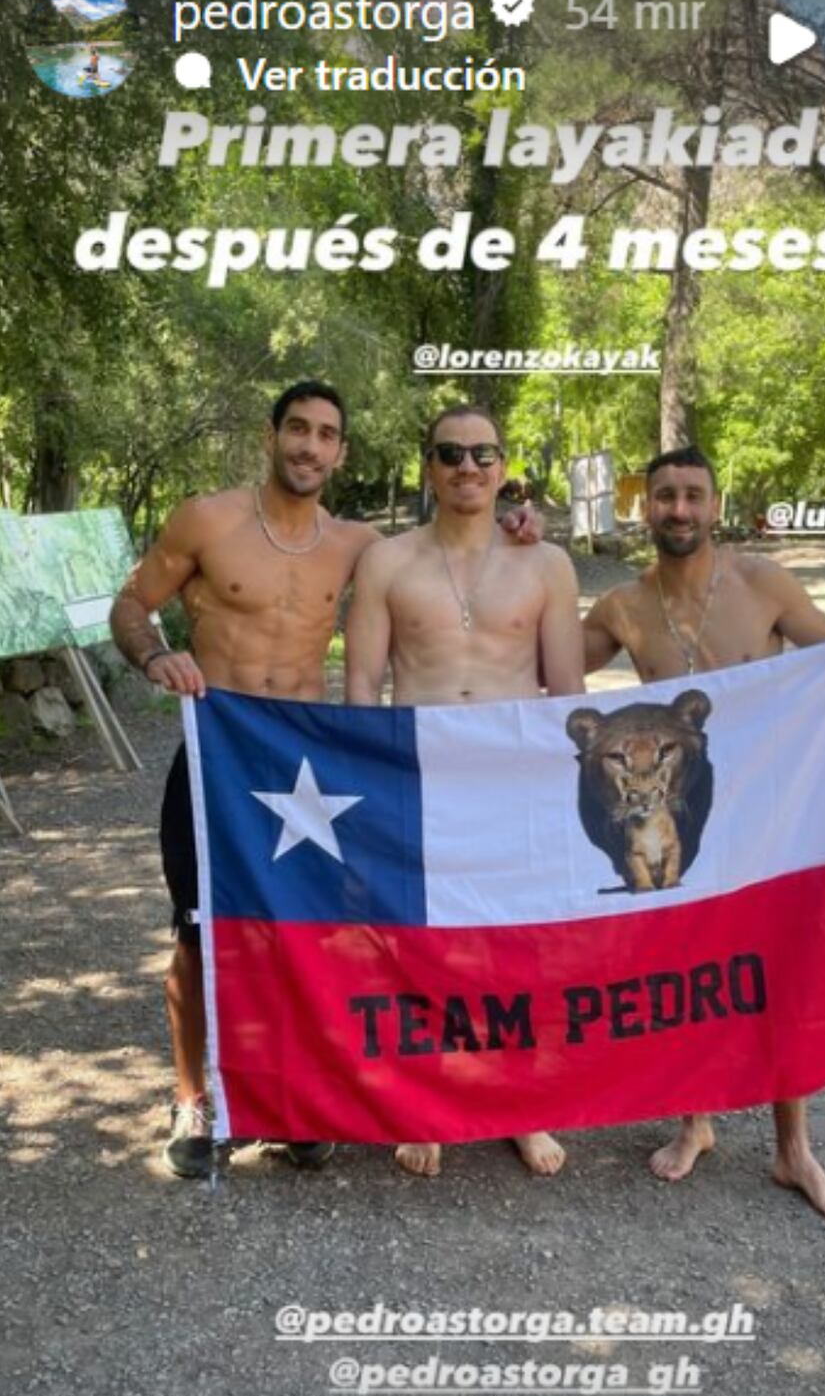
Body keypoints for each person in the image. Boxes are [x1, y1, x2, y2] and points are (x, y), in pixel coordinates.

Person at [110, 381, 543, 1178]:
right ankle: (192, 1099)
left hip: (308, 763)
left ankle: (287, 1099)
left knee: (306, 932)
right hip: (223, 751)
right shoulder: (207, 520)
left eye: (327, 435)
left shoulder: (359, 545)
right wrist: (154, 653)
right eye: (298, 430)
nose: (311, 446)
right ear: (272, 434)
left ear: (342, 451)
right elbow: (132, 603)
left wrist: (518, 524)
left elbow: (448, 544)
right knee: (200, 929)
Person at [582, 444, 825, 1223]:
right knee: (686, 965)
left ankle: (793, 1149)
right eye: (664, 496)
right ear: (645, 508)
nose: (679, 510)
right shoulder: (623, 607)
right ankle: (696, 1124)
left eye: (693, 495)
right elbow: (541, 670)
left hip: (769, 811)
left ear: (716, 506)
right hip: (682, 813)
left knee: (778, 968)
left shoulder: (763, 583)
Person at [345, 403, 585, 1178]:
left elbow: (569, 692)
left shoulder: (546, 564)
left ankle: (520, 1106)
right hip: (419, 777)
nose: (468, 467)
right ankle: (430, 1103)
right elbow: (361, 687)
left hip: (513, 781)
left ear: (505, 466)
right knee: (424, 946)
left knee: (515, 949)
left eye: (484, 454)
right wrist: (365, 784)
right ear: (429, 468)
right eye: (451, 454)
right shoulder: (386, 561)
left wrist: (567, 790)